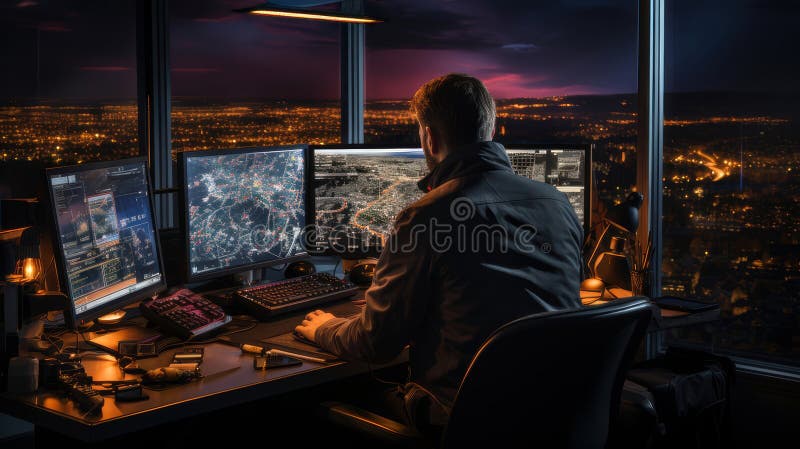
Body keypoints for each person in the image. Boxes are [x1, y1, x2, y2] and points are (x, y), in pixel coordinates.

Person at [296, 73, 583, 433]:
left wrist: (324, 328)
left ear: (429, 137)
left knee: (311, 402)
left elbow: (376, 343)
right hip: (554, 412)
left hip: (460, 416)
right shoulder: (556, 203)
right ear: (491, 131)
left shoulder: (426, 215)